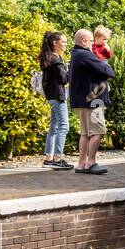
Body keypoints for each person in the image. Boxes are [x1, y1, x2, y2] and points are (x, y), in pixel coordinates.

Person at [69, 28, 114, 175]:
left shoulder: (76, 55)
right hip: (92, 100)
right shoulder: (85, 55)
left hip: (82, 101)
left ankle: (82, 164)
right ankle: (91, 162)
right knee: (98, 132)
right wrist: (106, 65)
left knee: (85, 133)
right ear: (83, 41)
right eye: (90, 41)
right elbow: (108, 72)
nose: (93, 43)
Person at [38, 31, 72, 169]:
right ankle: (58, 159)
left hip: (51, 96)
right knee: (64, 126)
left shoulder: (50, 57)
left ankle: (48, 159)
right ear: (55, 43)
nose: (65, 44)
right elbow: (64, 80)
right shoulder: (56, 60)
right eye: (63, 42)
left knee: (54, 127)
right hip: (57, 96)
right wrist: (71, 70)